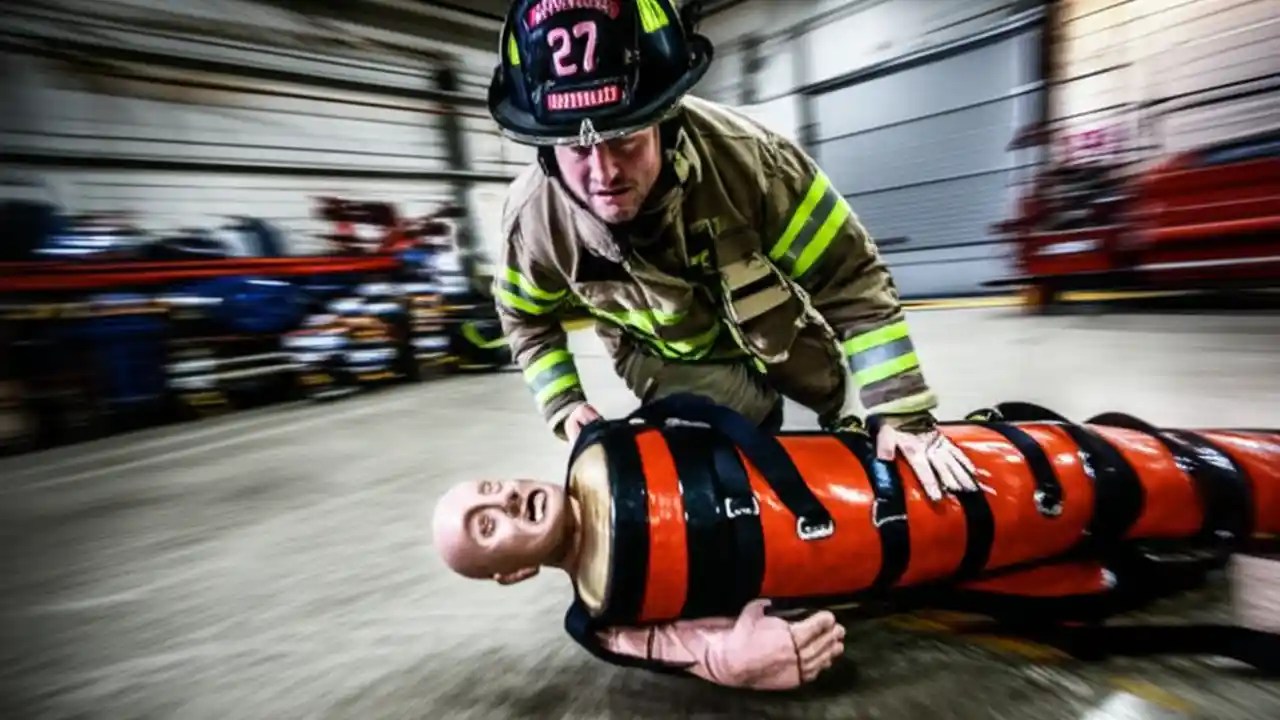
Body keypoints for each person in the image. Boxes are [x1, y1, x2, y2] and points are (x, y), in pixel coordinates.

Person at [487, 0, 975, 500]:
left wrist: (899, 408)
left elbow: (848, 277)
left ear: (665, 116)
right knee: (742, 471)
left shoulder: (753, 164)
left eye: (627, 138)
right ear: (545, 149)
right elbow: (525, 318)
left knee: (825, 436)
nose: (604, 172)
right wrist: (563, 403)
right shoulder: (534, 224)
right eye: (577, 149)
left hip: (784, 343)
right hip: (669, 364)